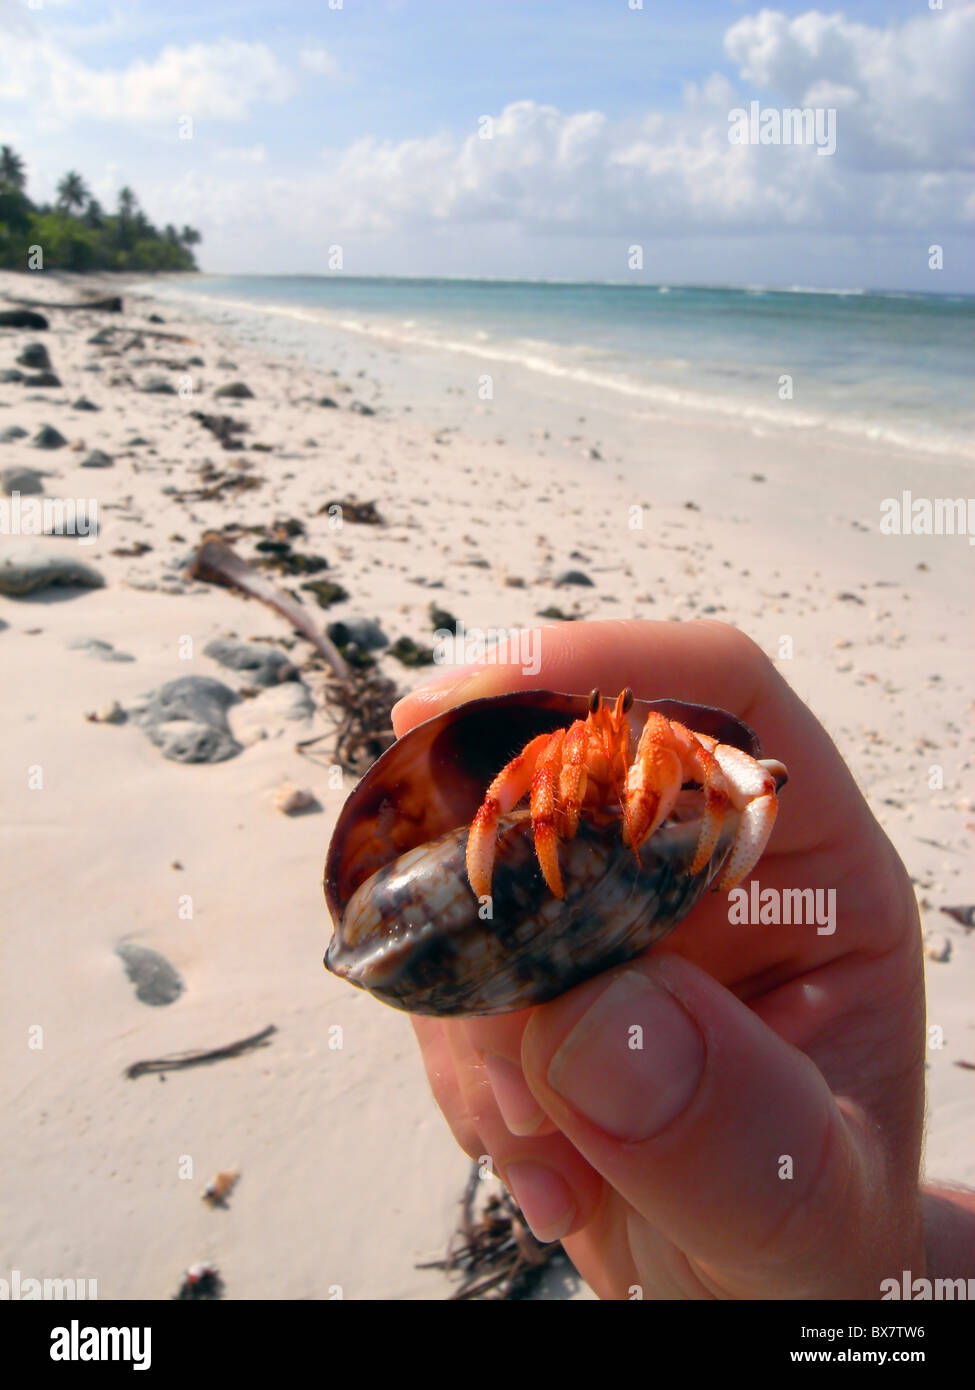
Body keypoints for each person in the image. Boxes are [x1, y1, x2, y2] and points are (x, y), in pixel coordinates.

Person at [390, 619, 975, 1300]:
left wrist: (884, 1258)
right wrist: (901, 1261)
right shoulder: (558, 746)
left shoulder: (655, 739)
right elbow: (502, 798)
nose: (606, 728)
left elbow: (750, 786)